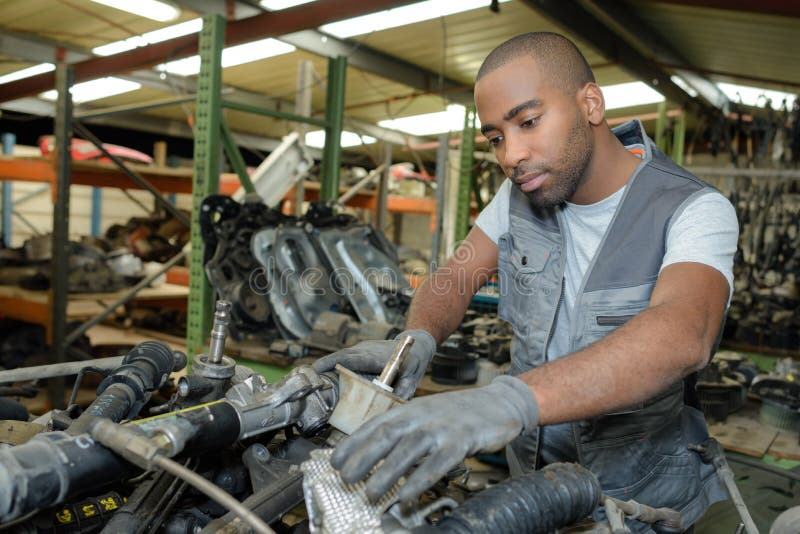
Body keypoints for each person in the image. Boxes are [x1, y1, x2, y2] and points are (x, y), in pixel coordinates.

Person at [313, 32, 738, 531]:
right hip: (532, 493)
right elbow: (456, 274)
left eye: (529, 122)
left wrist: (507, 401)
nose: (511, 155)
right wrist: (418, 338)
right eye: (495, 138)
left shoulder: (692, 209)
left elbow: (683, 334)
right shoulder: (518, 198)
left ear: (591, 103)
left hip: (642, 505)